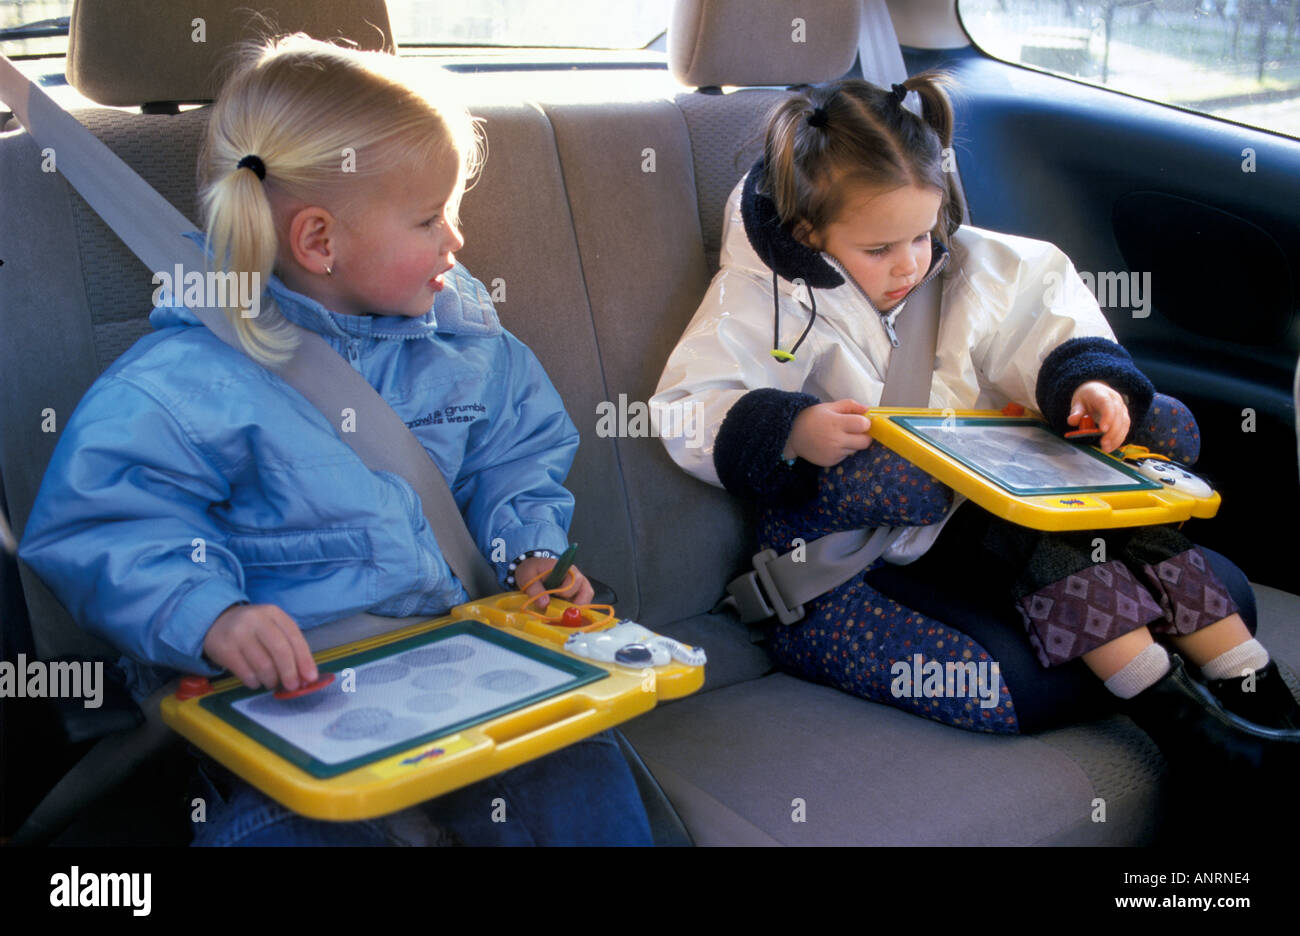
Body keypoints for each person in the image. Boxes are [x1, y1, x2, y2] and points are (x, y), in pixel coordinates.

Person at [19, 34, 650, 846]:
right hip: (288, 702)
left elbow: (512, 458)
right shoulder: (187, 382)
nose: (455, 241)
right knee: (284, 831)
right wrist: (210, 615)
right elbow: (108, 522)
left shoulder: (467, 342)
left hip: (457, 673)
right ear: (319, 242)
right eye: (430, 219)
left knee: (578, 769)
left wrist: (525, 550)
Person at [651, 74, 1300, 799]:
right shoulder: (760, 300)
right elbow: (688, 402)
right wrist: (789, 427)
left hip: (1001, 489)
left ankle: (1257, 692)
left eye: (923, 235)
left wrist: (1083, 386)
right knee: (1056, 552)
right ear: (809, 235)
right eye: (879, 248)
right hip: (874, 532)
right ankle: (1178, 720)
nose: (909, 264)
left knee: (1134, 532)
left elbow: (1046, 316)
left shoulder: (968, 266)